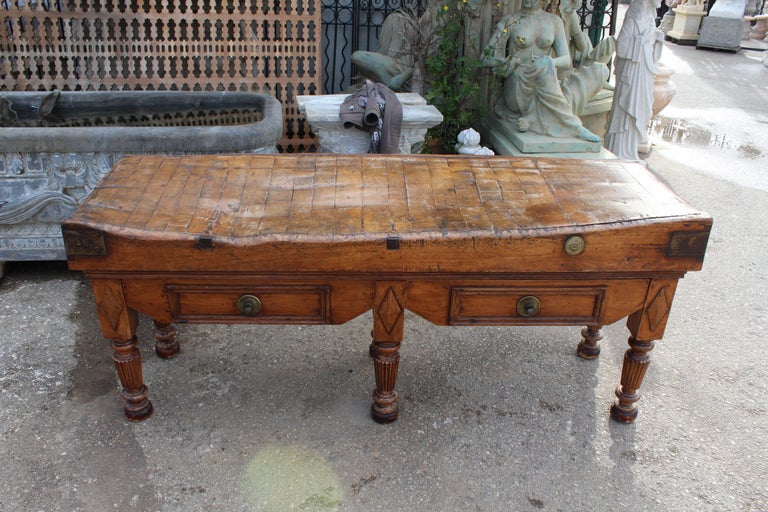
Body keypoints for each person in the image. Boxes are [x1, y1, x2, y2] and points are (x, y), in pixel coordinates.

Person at [482, 0, 601, 142]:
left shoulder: (554, 21)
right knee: (546, 64)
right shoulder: (511, 20)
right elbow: (485, 58)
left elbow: (566, 61)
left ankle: (532, 120)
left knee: (547, 63)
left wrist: (548, 62)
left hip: (543, 81)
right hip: (518, 83)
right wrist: (505, 62)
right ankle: (573, 126)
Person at [604, 0, 664, 160]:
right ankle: (620, 151)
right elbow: (622, 48)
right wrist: (642, 40)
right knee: (626, 113)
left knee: (640, 107)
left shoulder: (650, 20)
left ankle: (631, 151)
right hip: (631, 75)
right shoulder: (633, 20)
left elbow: (652, 53)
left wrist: (657, 41)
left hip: (643, 73)